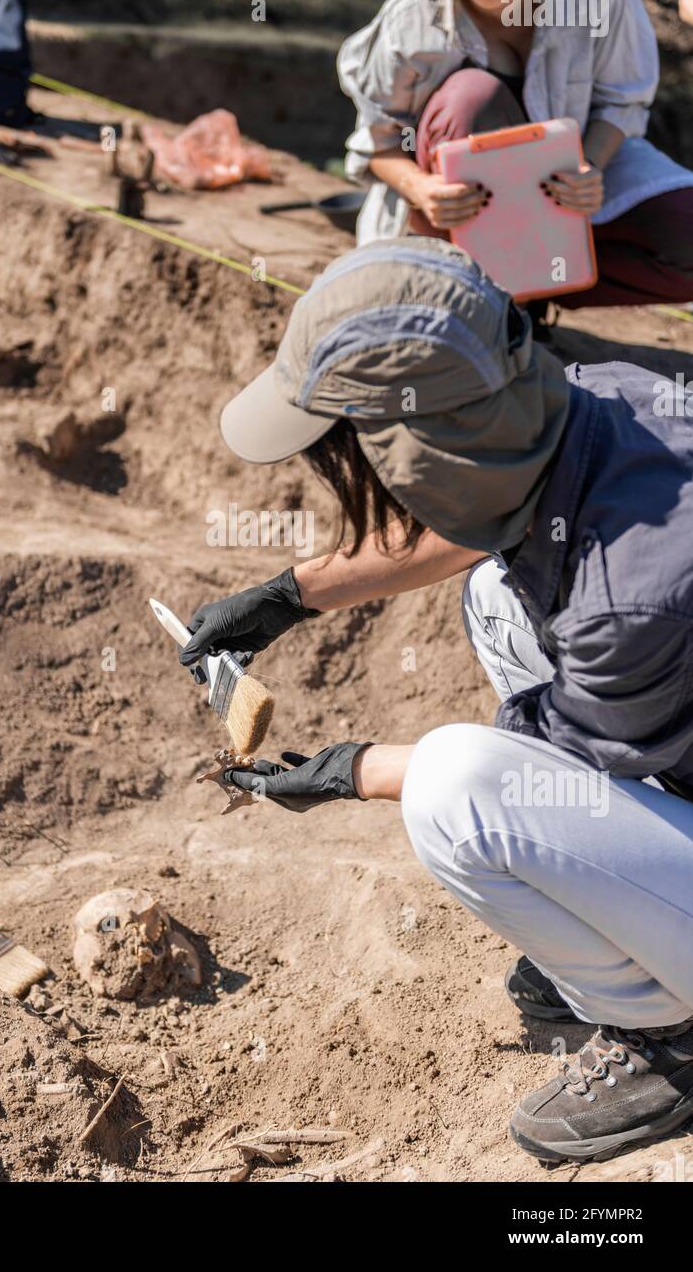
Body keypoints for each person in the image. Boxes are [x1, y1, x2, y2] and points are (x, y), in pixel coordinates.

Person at [177, 236, 693, 1164]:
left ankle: (672, 1034)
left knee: (457, 791)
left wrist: (356, 772)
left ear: (425, 449)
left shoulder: (633, 595)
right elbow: (490, 511)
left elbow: (546, 784)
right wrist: (290, 596)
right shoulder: (600, 395)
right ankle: (637, 922)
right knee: (498, 592)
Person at [337, 0, 693, 327]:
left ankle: (532, 293)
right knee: (472, 98)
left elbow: (622, 101)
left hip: (566, 187)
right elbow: (378, 143)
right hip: (452, 216)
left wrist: (592, 168)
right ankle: (480, 307)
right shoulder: (409, 23)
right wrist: (420, 191)